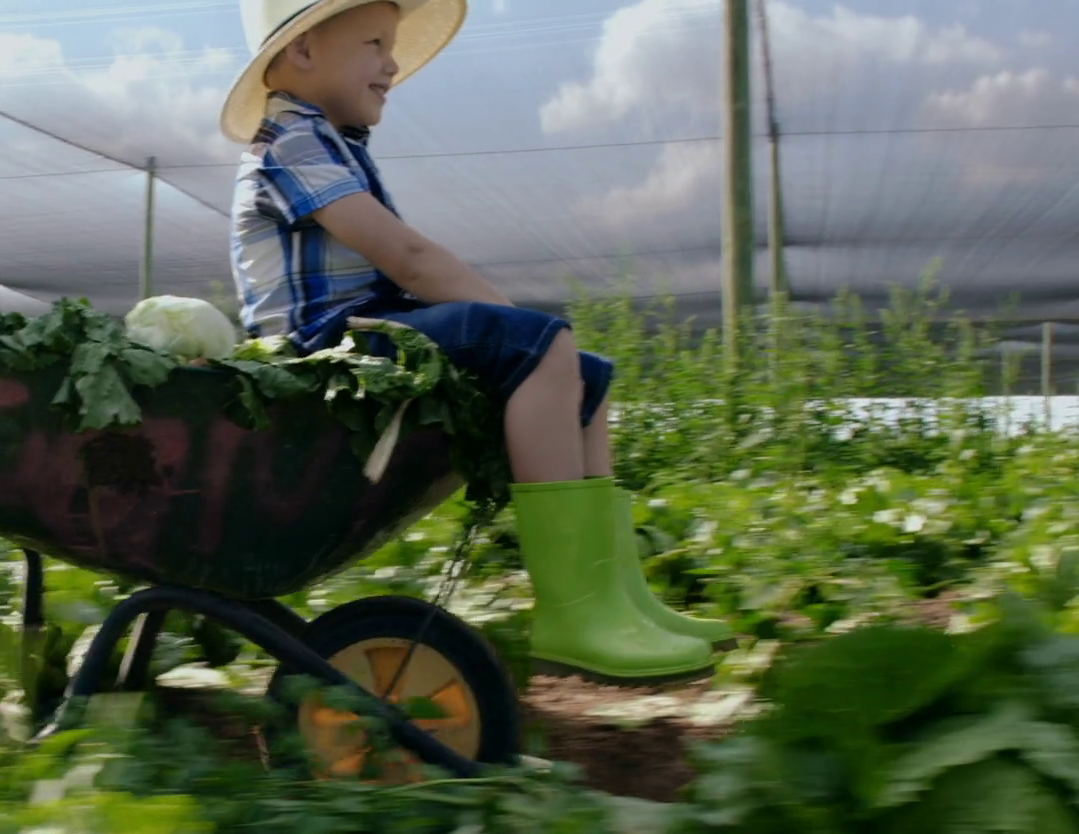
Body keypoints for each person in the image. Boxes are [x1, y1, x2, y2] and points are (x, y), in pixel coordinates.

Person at [223, 0, 733, 682]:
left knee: (584, 374)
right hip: (325, 350)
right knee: (541, 349)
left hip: (367, 332)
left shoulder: (329, 140)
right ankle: (574, 613)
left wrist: (542, 351)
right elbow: (407, 258)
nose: (391, 64)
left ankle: (617, 597)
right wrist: (527, 339)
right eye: (374, 43)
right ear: (304, 50)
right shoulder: (290, 141)